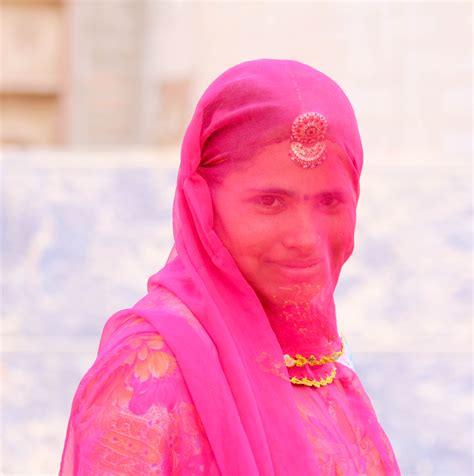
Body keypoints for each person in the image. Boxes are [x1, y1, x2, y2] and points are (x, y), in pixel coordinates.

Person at [59, 59, 401, 475]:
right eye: (270, 202)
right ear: (204, 205)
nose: (305, 238)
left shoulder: (320, 368)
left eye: (330, 202)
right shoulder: (149, 372)